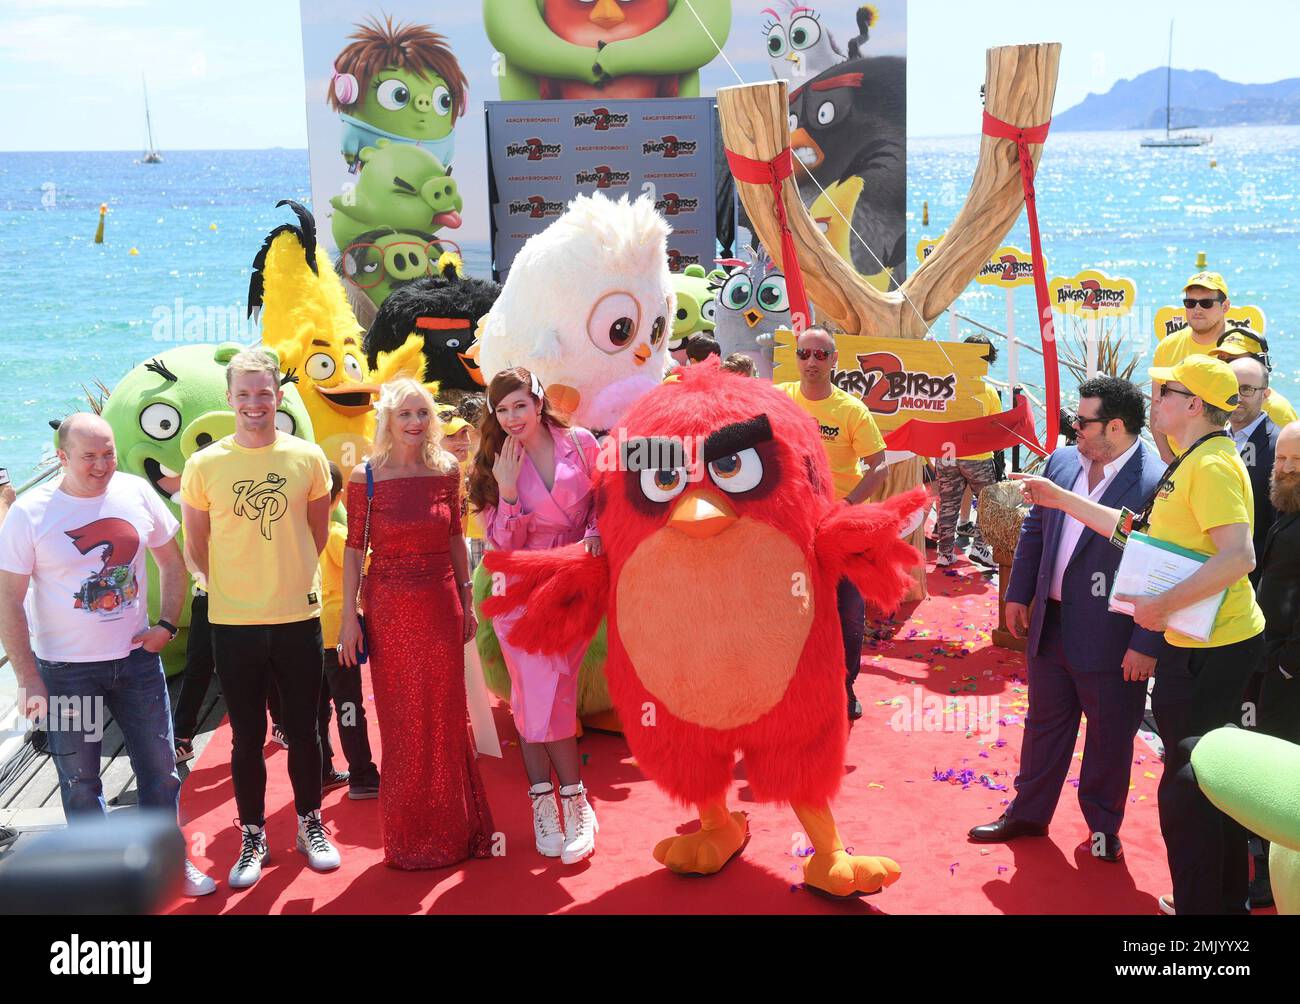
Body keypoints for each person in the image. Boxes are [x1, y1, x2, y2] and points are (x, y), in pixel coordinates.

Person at [1013, 355, 1265, 915]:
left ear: (1194, 404)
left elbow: (1239, 556)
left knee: (1190, 790)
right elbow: (1137, 531)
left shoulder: (1212, 465)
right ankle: (1220, 905)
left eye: (1165, 393)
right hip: (1194, 642)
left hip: (1212, 647)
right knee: (1204, 784)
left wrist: (1161, 606)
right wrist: (1061, 499)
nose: (1155, 403)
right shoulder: (1192, 459)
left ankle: (1207, 917)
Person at [0, 414, 214, 896]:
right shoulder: (31, 512)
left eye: (108, 453)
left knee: (160, 769)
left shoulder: (135, 491)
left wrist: (164, 624)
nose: (101, 465)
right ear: (61, 458)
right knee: (79, 781)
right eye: (88, 456)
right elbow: (8, 599)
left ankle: (168, 864)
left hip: (135, 663)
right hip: (66, 672)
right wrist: (29, 679)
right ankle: (98, 878)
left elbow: (170, 560)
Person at [969, 378, 1166, 862]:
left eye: (1083, 421)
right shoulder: (1061, 462)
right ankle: (1028, 814)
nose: (1073, 427)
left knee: (1109, 737)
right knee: (1043, 727)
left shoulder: (1156, 478)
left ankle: (1103, 829)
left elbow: (1155, 562)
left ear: (1115, 427)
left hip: (1112, 636)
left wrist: (1145, 641)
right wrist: (1019, 592)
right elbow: (1036, 525)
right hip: (1051, 625)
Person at [180, 348, 340, 889]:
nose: (254, 403)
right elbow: (196, 546)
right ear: (229, 398)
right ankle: (253, 832)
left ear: (278, 397)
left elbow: (316, 535)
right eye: (244, 394)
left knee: (305, 730)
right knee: (246, 736)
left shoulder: (307, 458)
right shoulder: (204, 465)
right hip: (232, 622)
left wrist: (287, 576)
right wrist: (232, 589)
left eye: (264, 393)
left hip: (297, 615)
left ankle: (309, 823)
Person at [338, 378, 494, 869]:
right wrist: (348, 618)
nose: (414, 423)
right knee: (403, 720)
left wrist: (467, 600)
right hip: (388, 607)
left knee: (446, 715)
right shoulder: (364, 477)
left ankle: (452, 833)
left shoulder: (448, 470)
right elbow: (352, 550)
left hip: (441, 602)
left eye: (422, 413)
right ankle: (409, 840)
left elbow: (455, 538)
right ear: (387, 418)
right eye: (404, 414)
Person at [467, 366, 600, 864]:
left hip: (574, 587)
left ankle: (561, 801)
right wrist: (504, 492)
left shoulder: (583, 443)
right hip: (520, 592)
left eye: (519, 405)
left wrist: (595, 532)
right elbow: (499, 545)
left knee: (551, 692)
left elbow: (604, 502)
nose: (511, 417)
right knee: (537, 695)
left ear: (538, 402)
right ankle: (563, 803)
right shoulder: (491, 462)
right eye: (501, 410)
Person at [776, 327, 888, 721]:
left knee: (847, 613)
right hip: (791, 526)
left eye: (820, 355)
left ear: (834, 359)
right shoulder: (781, 400)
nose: (811, 362)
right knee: (790, 610)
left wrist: (847, 504)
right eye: (804, 353)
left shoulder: (851, 410)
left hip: (839, 528)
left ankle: (844, 685)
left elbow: (880, 466)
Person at [1241, 421, 1300, 905]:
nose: (1285, 470)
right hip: (1274, 665)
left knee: (1281, 776)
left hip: (1289, 675)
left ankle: (1270, 878)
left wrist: (1284, 664)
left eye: (1297, 463)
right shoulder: (1288, 511)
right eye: (1281, 460)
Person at [317, 461, 380, 800]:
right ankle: (362, 773)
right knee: (349, 705)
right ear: (338, 497)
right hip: (338, 635)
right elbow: (368, 564)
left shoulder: (296, 533)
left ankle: (322, 769)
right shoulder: (337, 534)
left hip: (306, 632)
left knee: (317, 708)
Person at [1151, 272, 1234, 463]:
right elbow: (1156, 406)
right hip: (1176, 458)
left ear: (1225, 306)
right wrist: (1167, 457)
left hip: (1220, 456)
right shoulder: (1167, 346)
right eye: (1190, 303)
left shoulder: (1238, 347)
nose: (1197, 309)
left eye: (1206, 303)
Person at [934, 334, 1000, 569]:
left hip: (947, 454)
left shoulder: (945, 386)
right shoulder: (988, 391)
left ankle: (944, 553)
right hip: (978, 457)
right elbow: (995, 426)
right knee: (988, 503)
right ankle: (980, 548)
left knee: (948, 503)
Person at [1221, 354, 1279, 584]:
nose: (1236, 397)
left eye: (1246, 389)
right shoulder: (1207, 438)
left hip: (1253, 580)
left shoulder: (1279, 446)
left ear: (1265, 395)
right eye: (1231, 387)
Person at [1210, 329, 1298, 427]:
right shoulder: (1217, 399)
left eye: (1233, 360)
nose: (1227, 366)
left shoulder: (1277, 409)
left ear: (1258, 362)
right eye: (1221, 359)